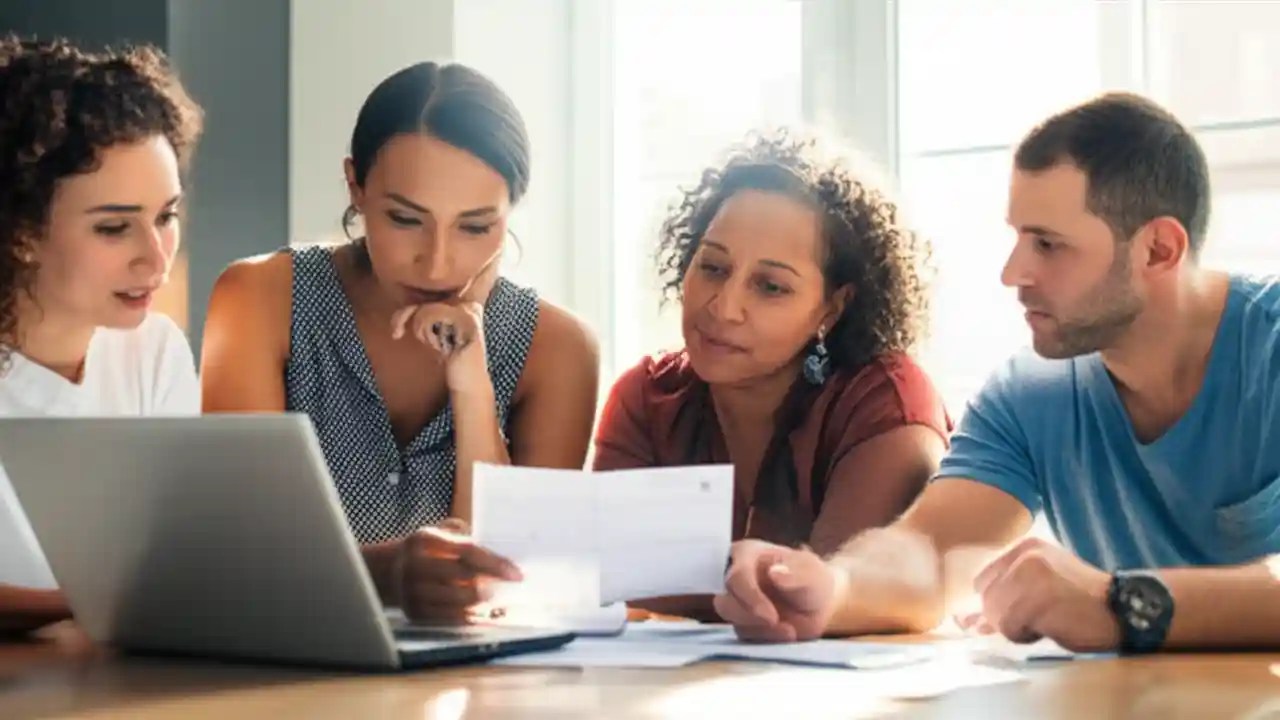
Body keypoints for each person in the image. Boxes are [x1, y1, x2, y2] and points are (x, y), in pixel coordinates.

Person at [716, 92, 1280, 653]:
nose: (1014, 273)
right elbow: (927, 551)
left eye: (1048, 245)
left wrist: (1120, 603)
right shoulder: (1031, 392)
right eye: (1018, 237)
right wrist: (828, 588)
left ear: (1158, 250)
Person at [200, 61, 599, 624]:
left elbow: (502, 588)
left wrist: (474, 392)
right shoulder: (261, 300)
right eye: (406, 219)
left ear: (511, 210)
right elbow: (242, 557)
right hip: (288, 672)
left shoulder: (557, 348)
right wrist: (386, 575)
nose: (438, 262)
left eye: (476, 226)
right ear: (355, 187)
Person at [594, 131, 951, 621]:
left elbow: (817, 604)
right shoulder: (646, 396)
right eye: (714, 267)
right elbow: (618, 592)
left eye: (770, 286)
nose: (724, 307)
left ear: (832, 307)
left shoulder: (886, 404)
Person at [0, 37, 203, 634]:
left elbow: (185, 558)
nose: (156, 259)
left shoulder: (154, 353)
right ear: (21, 232)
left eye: (166, 216)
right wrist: (97, 603)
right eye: (115, 228)